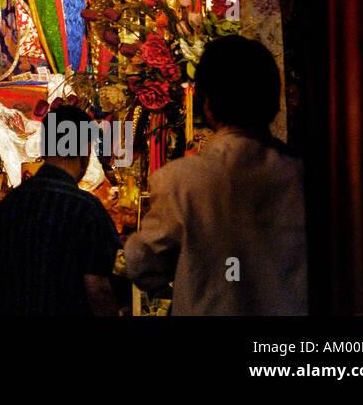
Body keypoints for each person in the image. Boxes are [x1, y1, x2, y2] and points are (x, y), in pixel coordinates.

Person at [124, 35, 307, 315]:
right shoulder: (302, 174)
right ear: (274, 102)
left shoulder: (180, 180)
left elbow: (143, 266)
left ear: (206, 102)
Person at [0, 104, 120, 315]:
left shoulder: (10, 205)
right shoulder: (88, 210)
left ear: (45, 148)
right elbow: (97, 288)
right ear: (84, 152)